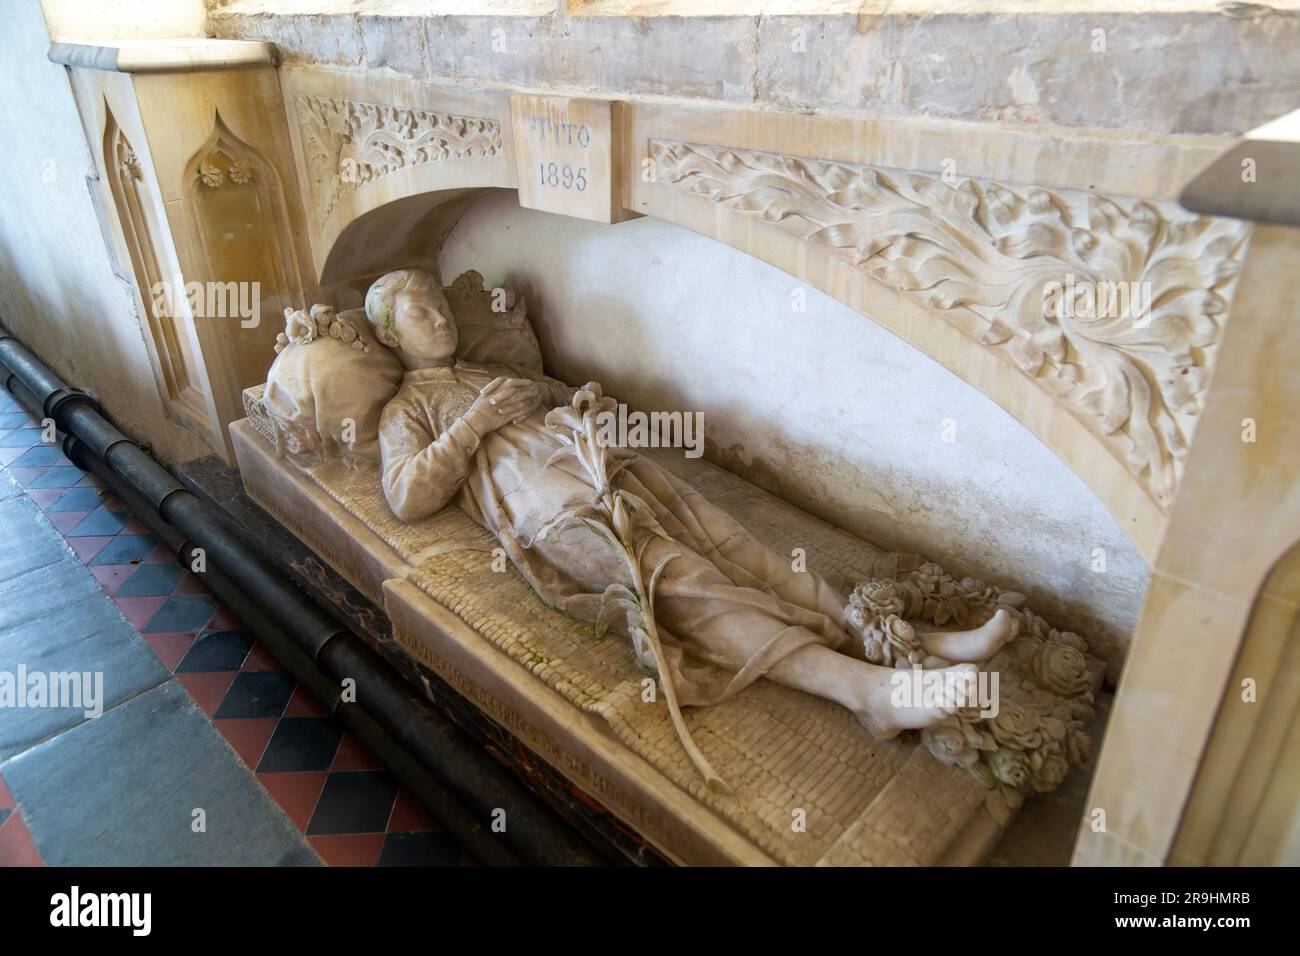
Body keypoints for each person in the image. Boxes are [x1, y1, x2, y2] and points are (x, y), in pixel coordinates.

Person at [371, 269, 1014, 738]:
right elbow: (406, 495)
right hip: (553, 511)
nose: (442, 319)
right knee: (690, 585)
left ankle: (897, 641)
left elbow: (557, 397)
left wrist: (582, 402)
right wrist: (472, 425)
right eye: (422, 313)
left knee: (743, 551)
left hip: (611, 469)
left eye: (440, 307)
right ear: (390, 333)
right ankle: (868, 692)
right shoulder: (408, 408)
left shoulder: (489, 372)